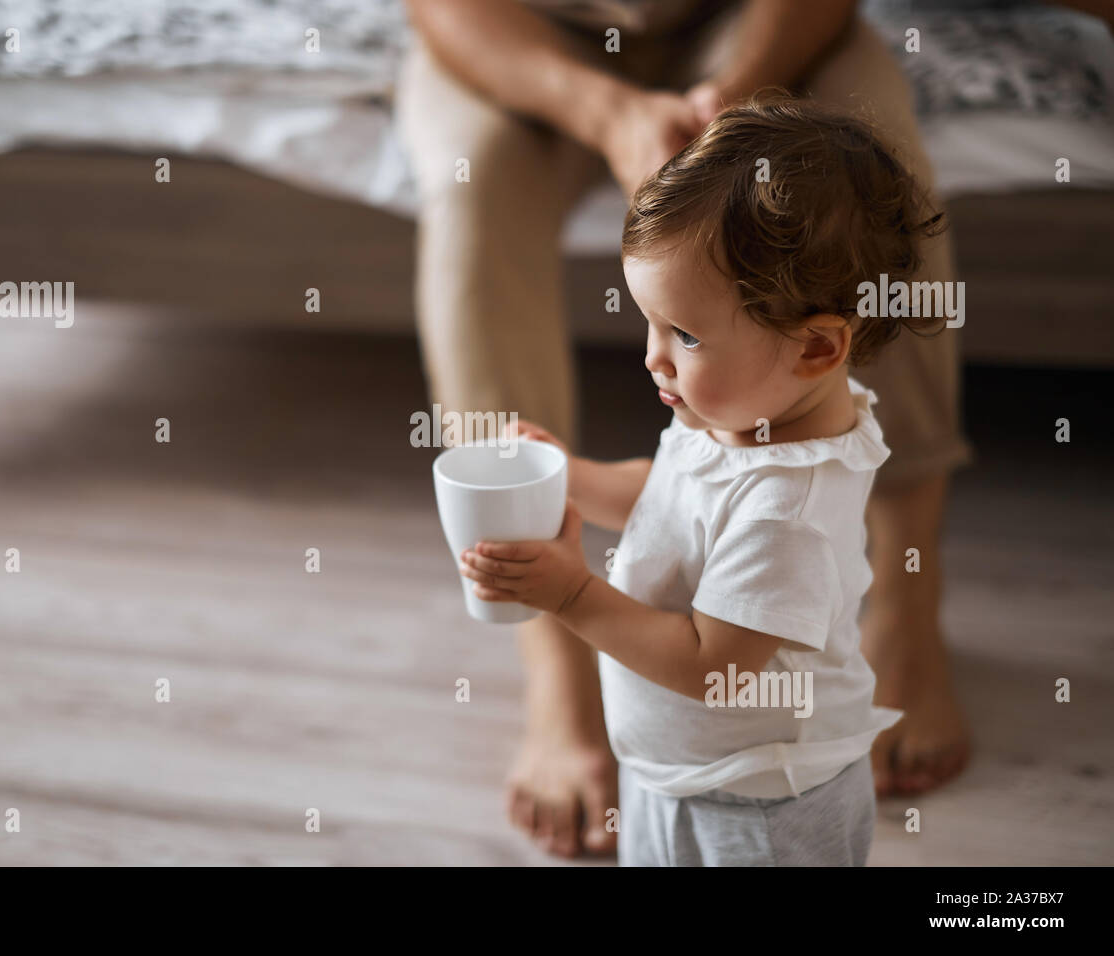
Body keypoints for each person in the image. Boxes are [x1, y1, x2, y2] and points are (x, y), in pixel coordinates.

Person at [396, 0, 972, 858]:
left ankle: (912, 621)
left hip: (756, 804)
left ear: (817, 346)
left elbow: (715, 667)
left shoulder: (787, 506)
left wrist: (570, 594)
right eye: (651, 326)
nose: (653, 362)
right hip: (674, 775)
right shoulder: (743, 415)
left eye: (685, 335)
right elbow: (670, 494)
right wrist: (574, 477)